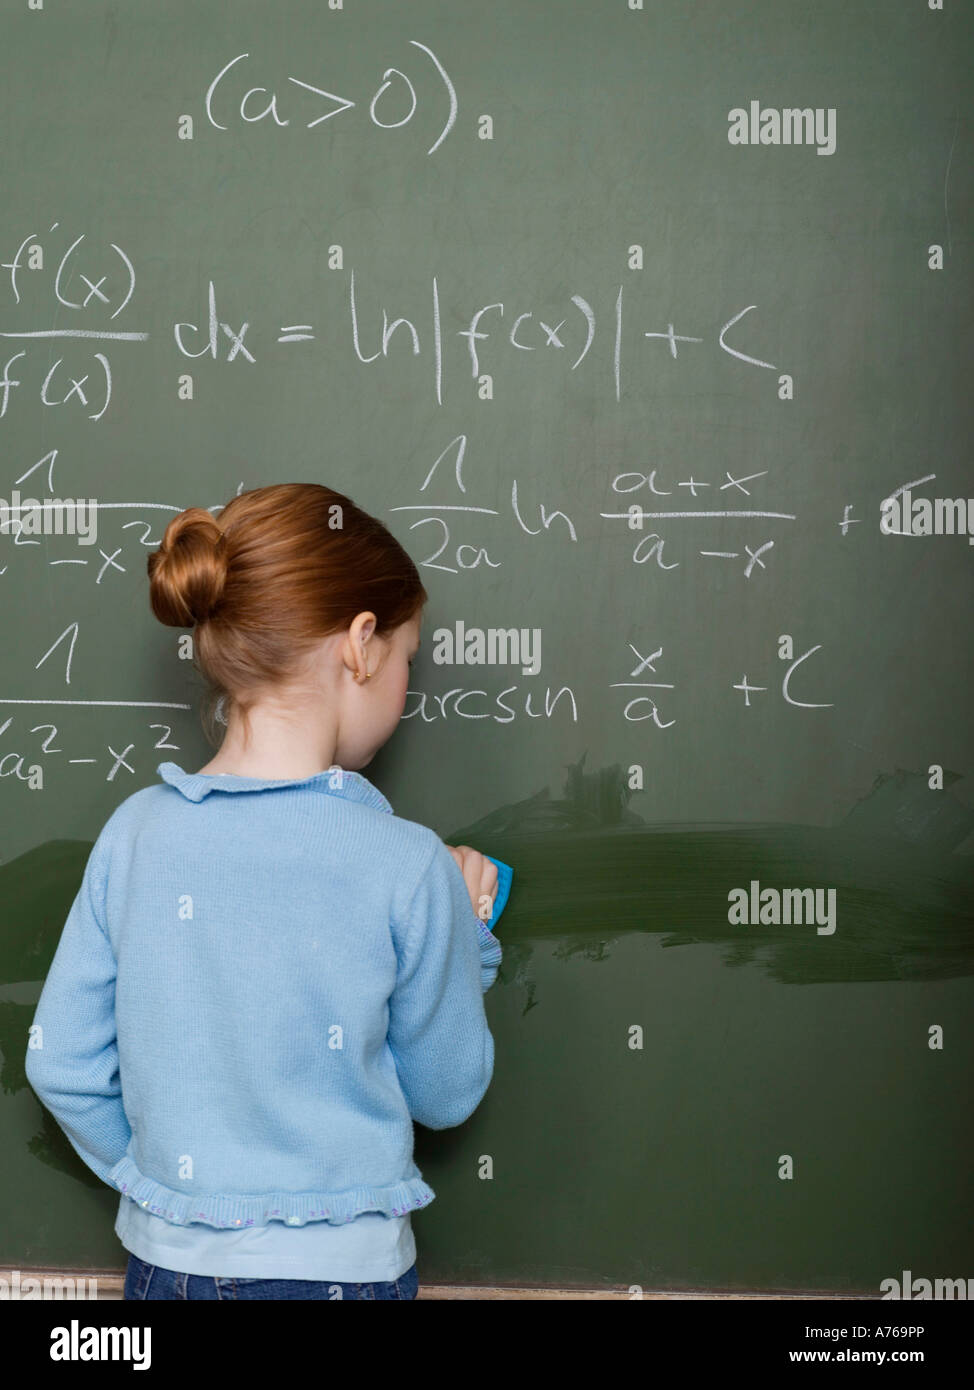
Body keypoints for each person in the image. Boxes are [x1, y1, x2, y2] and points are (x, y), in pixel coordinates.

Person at [25, 482, 505, 1300]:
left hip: (165, 1267)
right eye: (408, 660)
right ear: (361, 645)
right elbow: (447, 1094)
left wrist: (169, 1194)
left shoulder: (135, 835)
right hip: (342, 1278)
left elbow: (62, 1065)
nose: (406, 691)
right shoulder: (409, 863)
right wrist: (467, 931)